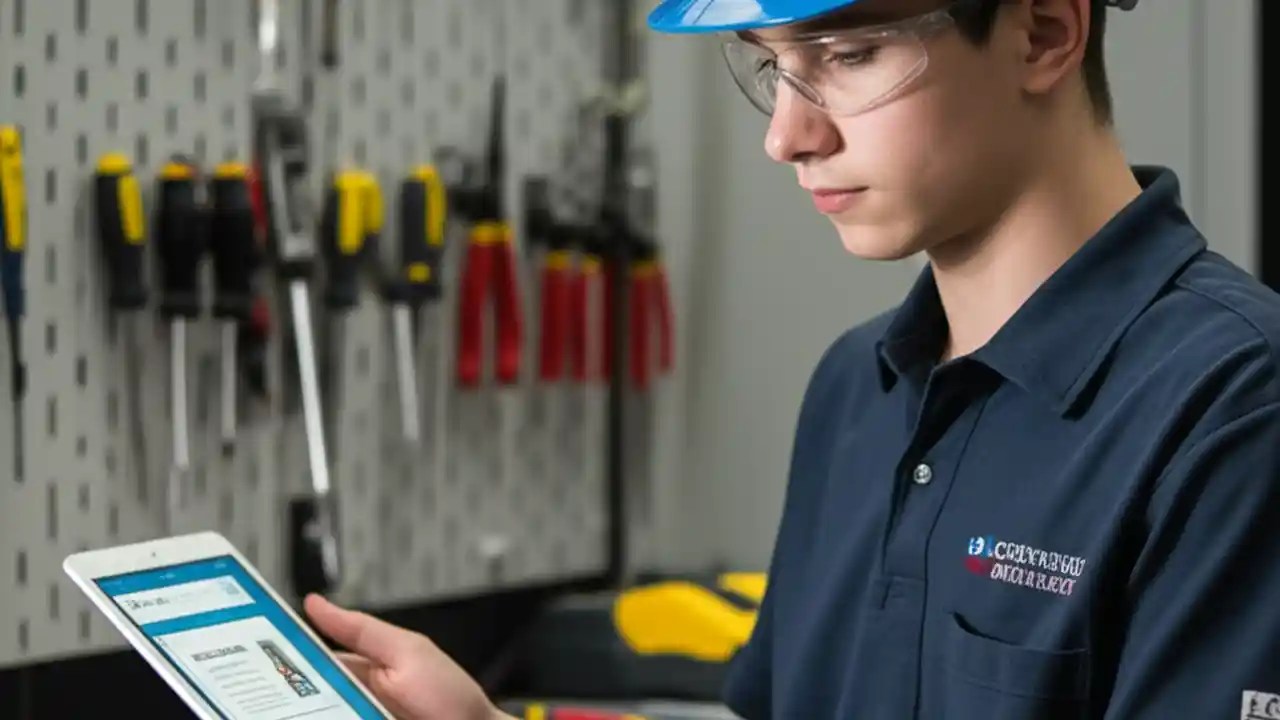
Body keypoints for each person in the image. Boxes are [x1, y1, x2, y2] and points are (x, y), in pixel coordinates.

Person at [306, 0, 1280, 717]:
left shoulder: (1233, 404)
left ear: (1041, 33)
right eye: (774, 68)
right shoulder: (857, 388)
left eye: (849, 55)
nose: (787, 135)